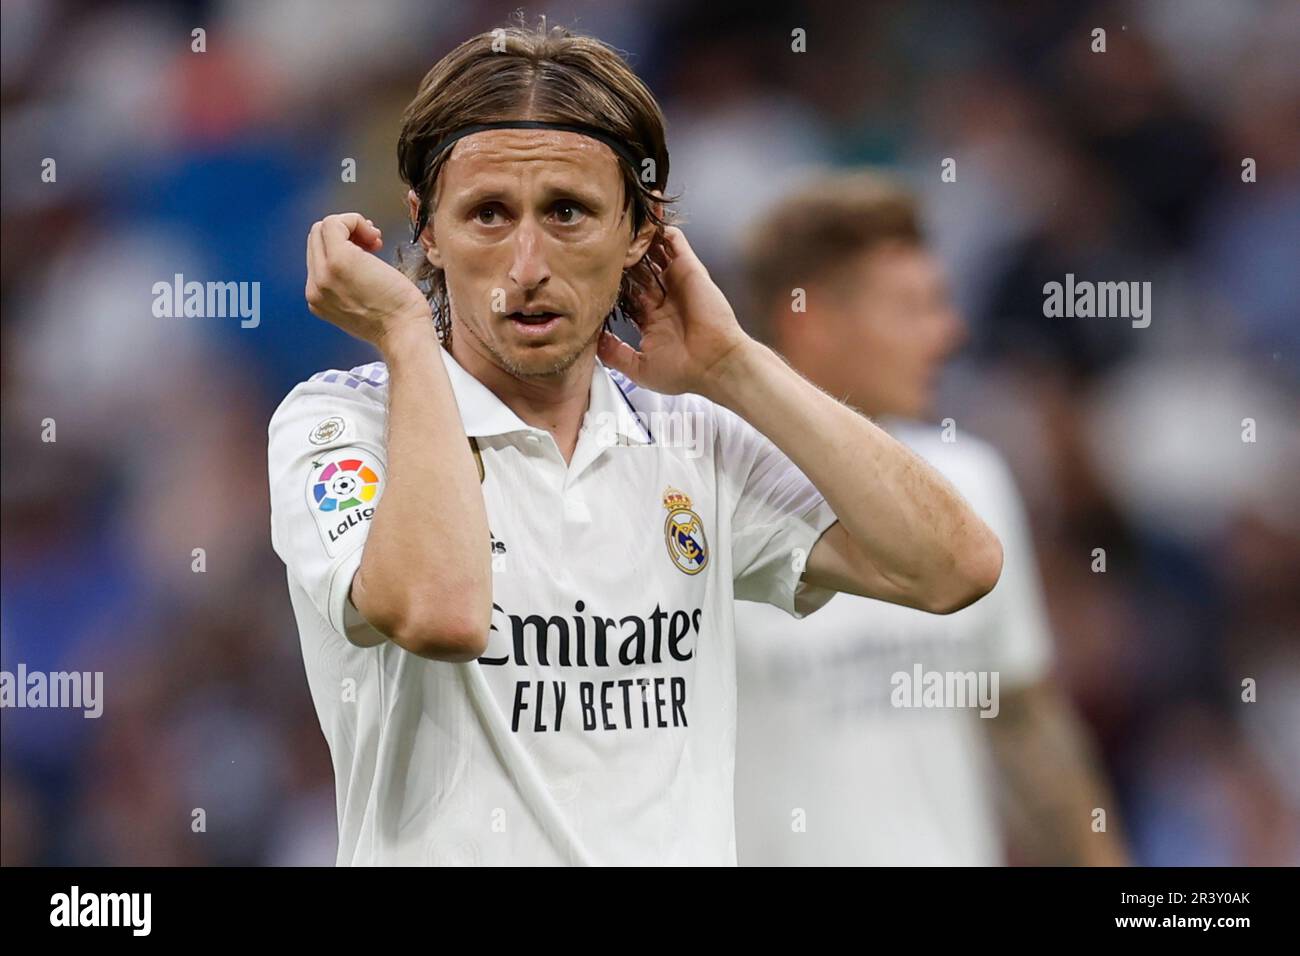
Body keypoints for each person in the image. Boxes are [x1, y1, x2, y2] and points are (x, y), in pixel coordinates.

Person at [267, 22, 1001, 866]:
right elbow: (440, 611)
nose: (527, 264)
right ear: (425, 230)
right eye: (487, 215)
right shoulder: (338, 425)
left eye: (568, 213)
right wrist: (402, 331)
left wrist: (736, 367)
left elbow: (956, 568)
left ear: (641, 232)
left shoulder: (692, 437)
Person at [733, 171, 1129, 866]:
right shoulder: (706, 489)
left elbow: (1022, 719)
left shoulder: (970, 481)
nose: (950, 332)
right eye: (915, 307)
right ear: (811, 319)